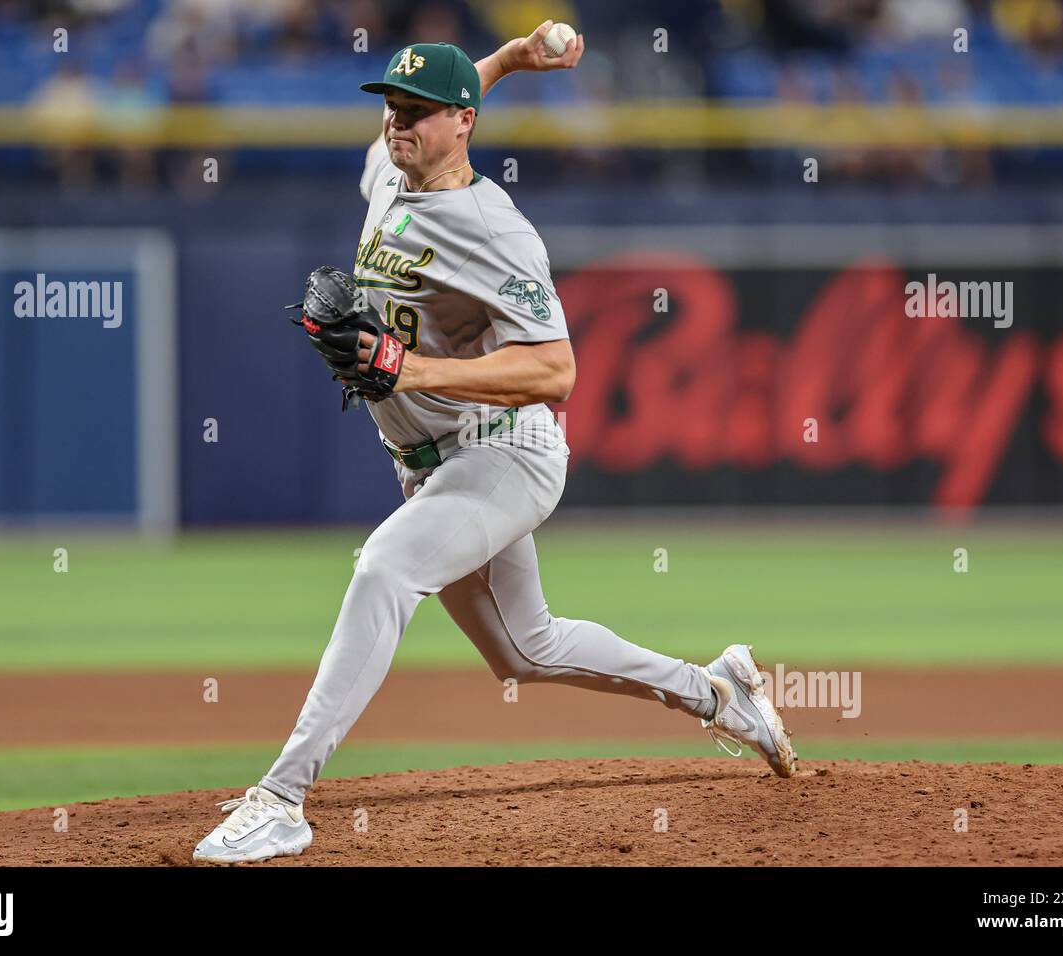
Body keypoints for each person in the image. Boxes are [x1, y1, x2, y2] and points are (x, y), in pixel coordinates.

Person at [193, 21, 796, 865]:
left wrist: (409, 370)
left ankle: (283, 797)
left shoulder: (494, 229)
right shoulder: (389, 177)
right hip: (432, 464)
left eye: (418, 112)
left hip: (505, 450)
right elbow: (442, 100)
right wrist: (510, 58)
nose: (398, 124)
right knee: (526, 649)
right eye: (392, 109)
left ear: (463, 123)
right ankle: (718, 691)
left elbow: (556, 371)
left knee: (384, 569)